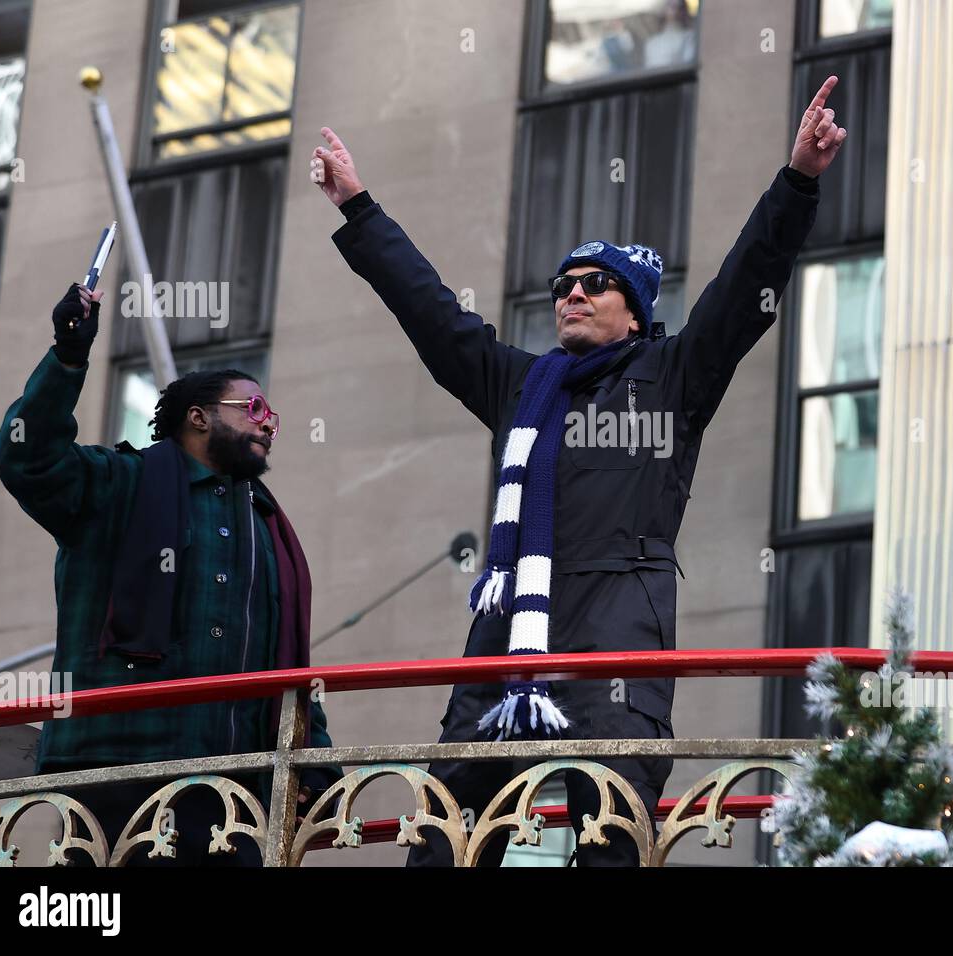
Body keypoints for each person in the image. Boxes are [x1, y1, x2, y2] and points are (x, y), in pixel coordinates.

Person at [312, 77, 847, 866]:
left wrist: (797, 180)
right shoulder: (523, 385)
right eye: (562, 286)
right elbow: (432, 315)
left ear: (633, 308)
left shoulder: (674, 375)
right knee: (451, 826)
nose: (571, 295)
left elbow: (743, 291)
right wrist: (360, 210)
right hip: (508, 630)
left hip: (618, 626)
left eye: (593, 284)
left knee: (609, 826)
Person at [0, 282, 339, 866]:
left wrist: (316, 757)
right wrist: (67, 358)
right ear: (198, 417)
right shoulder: (118, 483)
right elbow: (30, 459)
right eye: (253, 409)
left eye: (272, 415)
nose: (269, 424)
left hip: (236, 794)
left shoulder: (266, 524)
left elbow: (283, 662)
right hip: (115, 774)